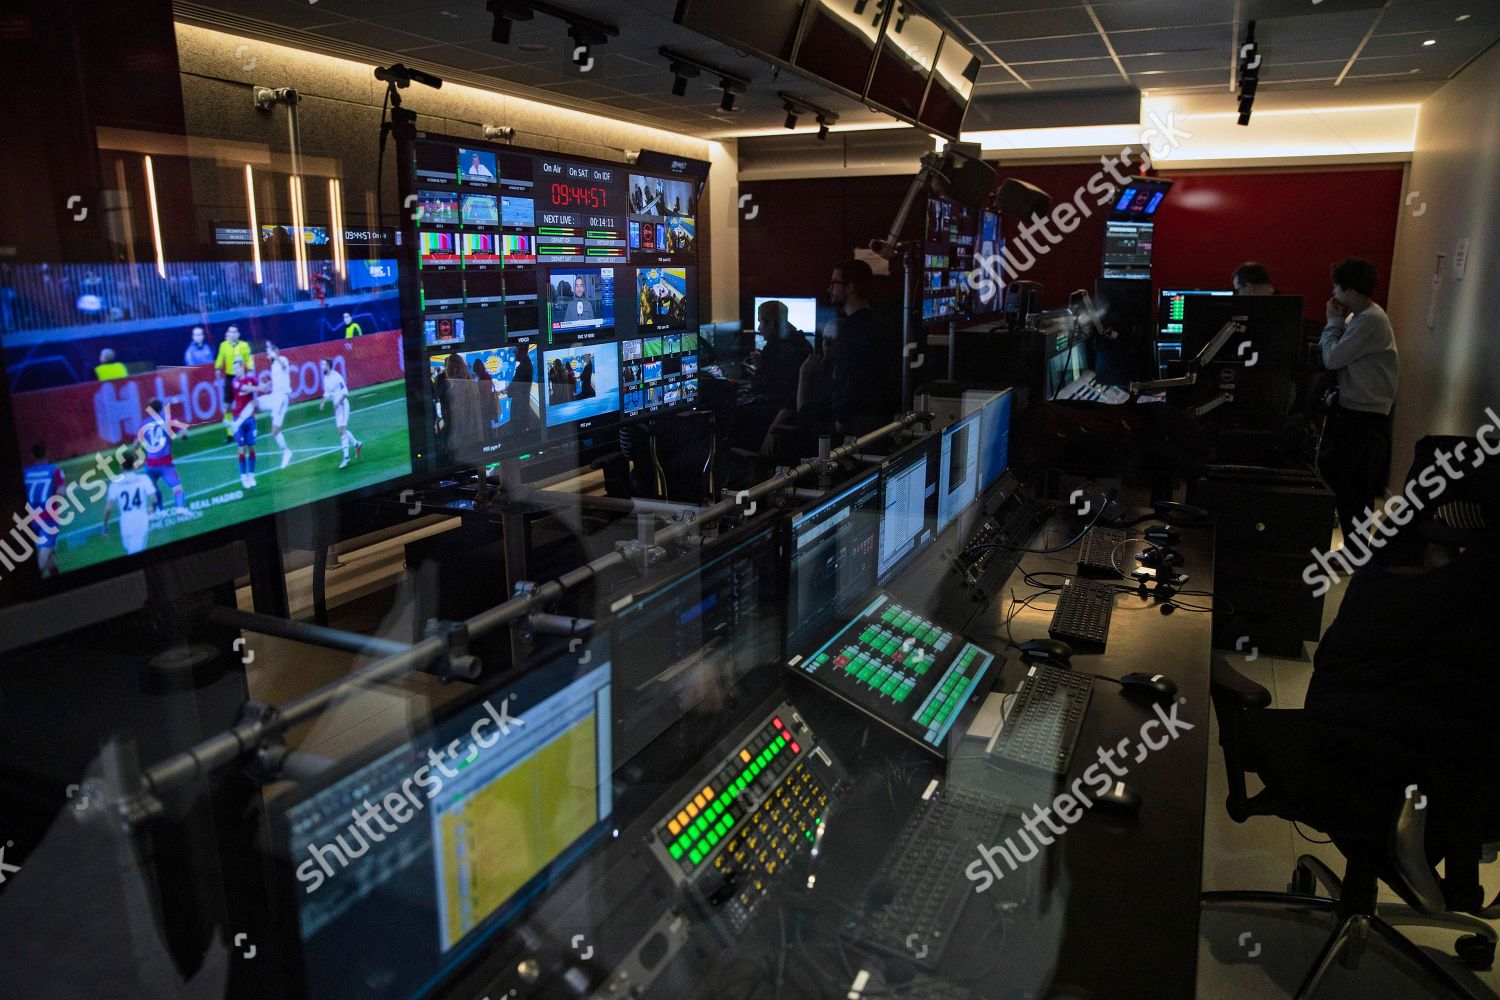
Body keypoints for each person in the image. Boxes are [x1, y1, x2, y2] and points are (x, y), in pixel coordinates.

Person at [1317, 257, 1399, 536]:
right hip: (1360, 408)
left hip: (1364, 413)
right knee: (1347, 479)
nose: (1333, 295)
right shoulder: (1364, 317)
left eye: (1337, 289)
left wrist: (1332, 322)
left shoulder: (1369, 321)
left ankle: (1357, 549)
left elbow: (1333, 358)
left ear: (1350, 291)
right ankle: (1355, 546)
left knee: (1355, 484)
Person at [817, 258, 900, 439]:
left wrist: (840, 416)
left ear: (850, 287)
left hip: (857, 423)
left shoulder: (852, 329)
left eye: (834, 283)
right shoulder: (877, 322)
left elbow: (851, 379)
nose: (829, 289)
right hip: (876, 420)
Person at [136, 397, 191, 512]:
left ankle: (159, 511)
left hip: (150, 465)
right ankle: (180, 509)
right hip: (166, 464)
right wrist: (184, 437)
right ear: (161, 408)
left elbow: (135, 445)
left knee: (153, 490)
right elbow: (184, 433)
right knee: (177, 489)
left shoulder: (144, 424)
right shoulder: (167, 419)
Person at [23, 443, 66, 577]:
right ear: (47, 453)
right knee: (41, 564)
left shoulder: (24, 472)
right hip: (48, 520)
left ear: (31, 456)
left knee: (50, 556)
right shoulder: (55, 471)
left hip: (29, 519)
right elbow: (61, 494)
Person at [101, 451, 154, 556]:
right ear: (134, 463)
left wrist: (105, 525)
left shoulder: (115, 484)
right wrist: (152, 509)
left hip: (126, 522)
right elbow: (154, 499)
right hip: (141, 518)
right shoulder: (144, 478)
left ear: (121, 466)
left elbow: (108, 509)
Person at [319, 359, 362, 469]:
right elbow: (327, 393)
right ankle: (357, 444)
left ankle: (346, 458)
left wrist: (337, 403)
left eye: (323, 365)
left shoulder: (337, 376)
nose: (322, 367)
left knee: (341, 430)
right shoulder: (326, 378)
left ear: (328, 366)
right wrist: (323, 403)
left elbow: (345, 392)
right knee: (341, 431)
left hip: (342, 405)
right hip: (337, 407)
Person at [259, 342, 295, 469]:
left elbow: (284, 366)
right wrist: (268, 384)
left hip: (281, 399)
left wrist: (275, 354)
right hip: (275, 397)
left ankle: (286, 452)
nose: (267, 355)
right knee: (254, 403)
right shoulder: (273, 365)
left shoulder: (282, 360)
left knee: (274, 431)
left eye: (268, 352)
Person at [228, 357, 262, 489]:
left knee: (252, 447)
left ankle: (251, 475)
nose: (236, 370)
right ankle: (243, 477)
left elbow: (259, 387)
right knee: (241, 448)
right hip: (238, 418)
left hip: (250, 418)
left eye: (237, 367)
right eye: (234, 368)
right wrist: (257, 387)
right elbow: (248, 388)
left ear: (242, 367)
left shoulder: (251, 379)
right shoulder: (235, 382)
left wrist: (263, 386)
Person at [215, 324, 253, 440]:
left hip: (242, 377)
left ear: (238, 334)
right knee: (227, 406)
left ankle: (251, 428)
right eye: (230, 332)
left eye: (234, 332)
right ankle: (230, 433)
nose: (232, 334)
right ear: (228, 334)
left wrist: (250, 371)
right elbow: (220, 359)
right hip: (229, 377)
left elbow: (248, 359)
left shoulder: (244, 345)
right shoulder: (223, 345)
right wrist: (217, 369)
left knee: (247, 403)